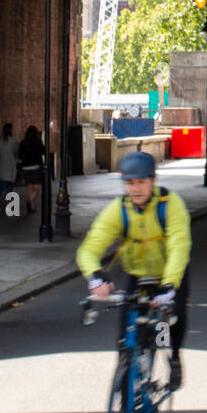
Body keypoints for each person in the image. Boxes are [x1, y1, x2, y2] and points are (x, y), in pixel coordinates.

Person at [76, 151, 191, 391]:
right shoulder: (119, 210)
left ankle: (174, 357)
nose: (136, 189)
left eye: (141, 182)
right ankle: (127, 384)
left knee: (173, 319)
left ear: (153, 180)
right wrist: (95, 274)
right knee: (124, 336)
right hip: (138, 276)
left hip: (170, 273)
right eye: (130, 183)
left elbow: (179, 245)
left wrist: (169, 285)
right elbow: (89, 248)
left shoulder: (170, 205)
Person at [18, 125, 45, 215]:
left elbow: (19, 156)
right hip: (35, 167)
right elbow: (43, 152)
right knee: (37, 188)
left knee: (29, 186)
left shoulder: (23, 143)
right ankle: (29, 201)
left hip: (25, 168)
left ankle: (32, 207)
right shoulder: (38, 142)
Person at [0, 123, 19, 214]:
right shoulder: (13, 141)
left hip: (1, 165)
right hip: (10, 165)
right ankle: (9, 203)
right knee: (10, 185)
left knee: (1, 184)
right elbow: (16, 151)